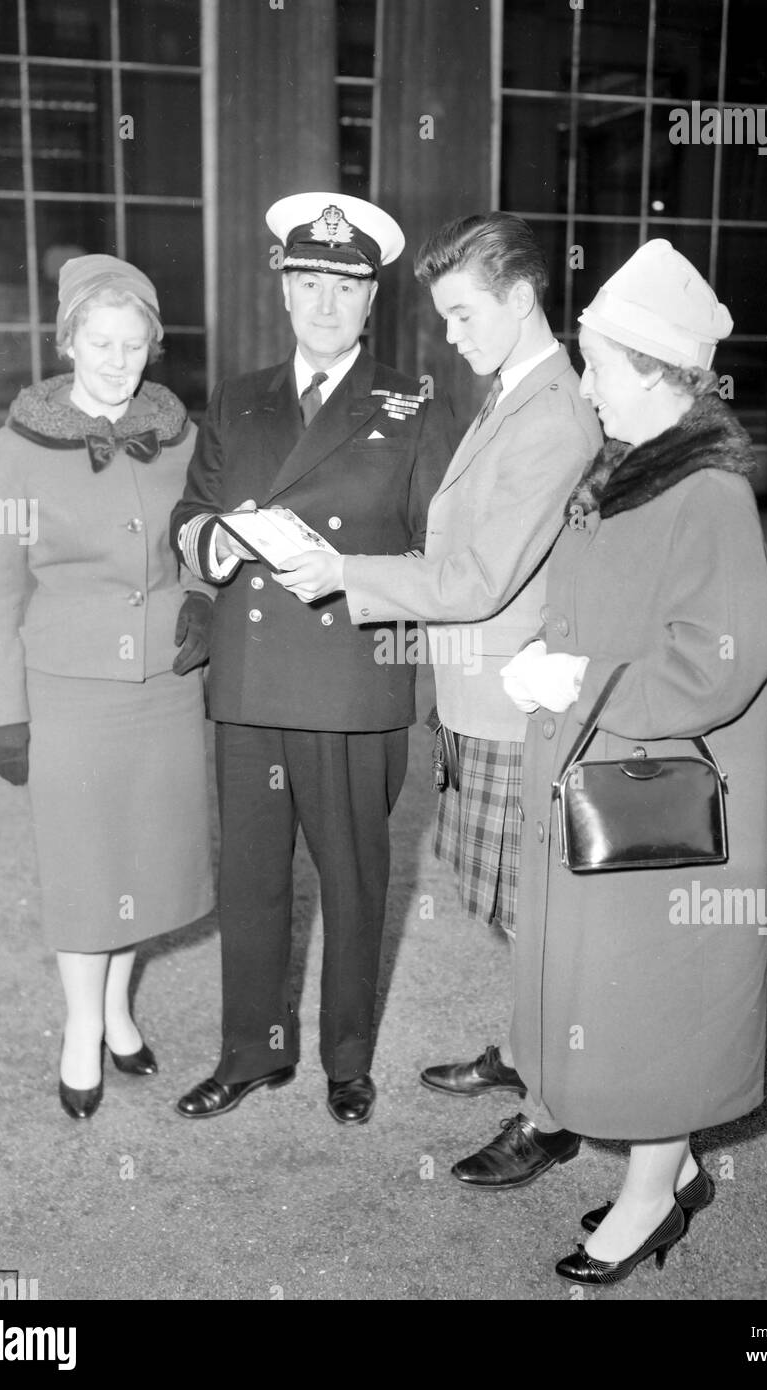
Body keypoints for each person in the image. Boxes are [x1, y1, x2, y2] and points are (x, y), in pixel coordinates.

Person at [275, 212, 601, 1184]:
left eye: (463, 316)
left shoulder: (553, 414)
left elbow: (473, 583)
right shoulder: (514, 391)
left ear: (519, 298)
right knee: (510, 914)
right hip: (474, 698)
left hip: (515, 711)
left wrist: (346, 572)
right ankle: (525, 1051)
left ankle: (551, 1112)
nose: (450, 338)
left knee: (535, 920)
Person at [485, 238, 767, 1285]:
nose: (588, 385)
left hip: (657, 798)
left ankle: (652, 1198)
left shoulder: (706, 494)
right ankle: (681, 1166)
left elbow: (725, 657)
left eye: (601, 367)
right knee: (615, 992)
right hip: (605, 772)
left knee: (654, 1000)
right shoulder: (625, 473)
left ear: (660, 375)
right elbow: (600, 616)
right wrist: (542, 662)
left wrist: (579, 685)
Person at [170, 193, 455, 1126]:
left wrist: (340, 571)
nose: (326, 302)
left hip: (351, 679)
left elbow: (436, 555)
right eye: (309, 281)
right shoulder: (239, 396)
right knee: (251, 882)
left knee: (355, 882)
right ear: (284, 288)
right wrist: (215, 543)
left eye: (346, 284)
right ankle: (251, 1053)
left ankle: (345, 1061)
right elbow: (190, 512)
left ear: (372, 299)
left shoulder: (413, 405)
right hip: (250, 680)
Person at [0, 254, 215, 1121]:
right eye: (99, 342)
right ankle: (81, 1028)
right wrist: (6, 715)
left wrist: (204, 601)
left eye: (133, 343)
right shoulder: (16, 446)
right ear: (68, 341)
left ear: (154, 344)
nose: (117, 360)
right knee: (84, 868)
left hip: (165, 688)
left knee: (144, 861)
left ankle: (117, 1008)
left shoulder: (184, 435)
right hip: (69, 689)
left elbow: (203, 543)